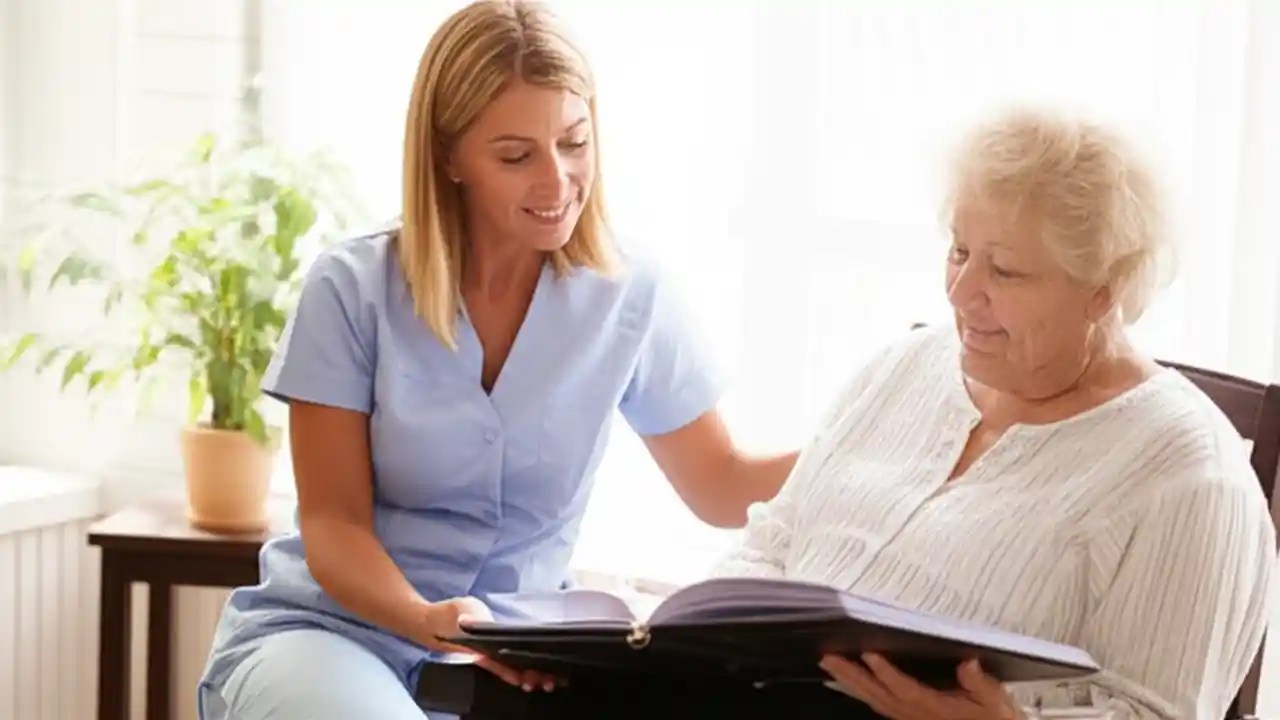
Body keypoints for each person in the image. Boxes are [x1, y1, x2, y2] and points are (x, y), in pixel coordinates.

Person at [195, 2, 798, 718]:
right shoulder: (351, 290)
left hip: (523, 659)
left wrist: (891, 453)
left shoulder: (631, 296)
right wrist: (427, 620)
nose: (557, 181)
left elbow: (722, 484)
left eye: (574, 142)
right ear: (449, 157)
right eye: (515, 156)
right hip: (331, 636)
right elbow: (333, 527)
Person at [712, 109, 1276, 719]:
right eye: (959, 252)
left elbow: (1160, 713)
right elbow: (775, 539)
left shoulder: (1191, 478)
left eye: (1004, 270)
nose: (958, 292)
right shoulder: (905, 367)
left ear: (1104, 290)